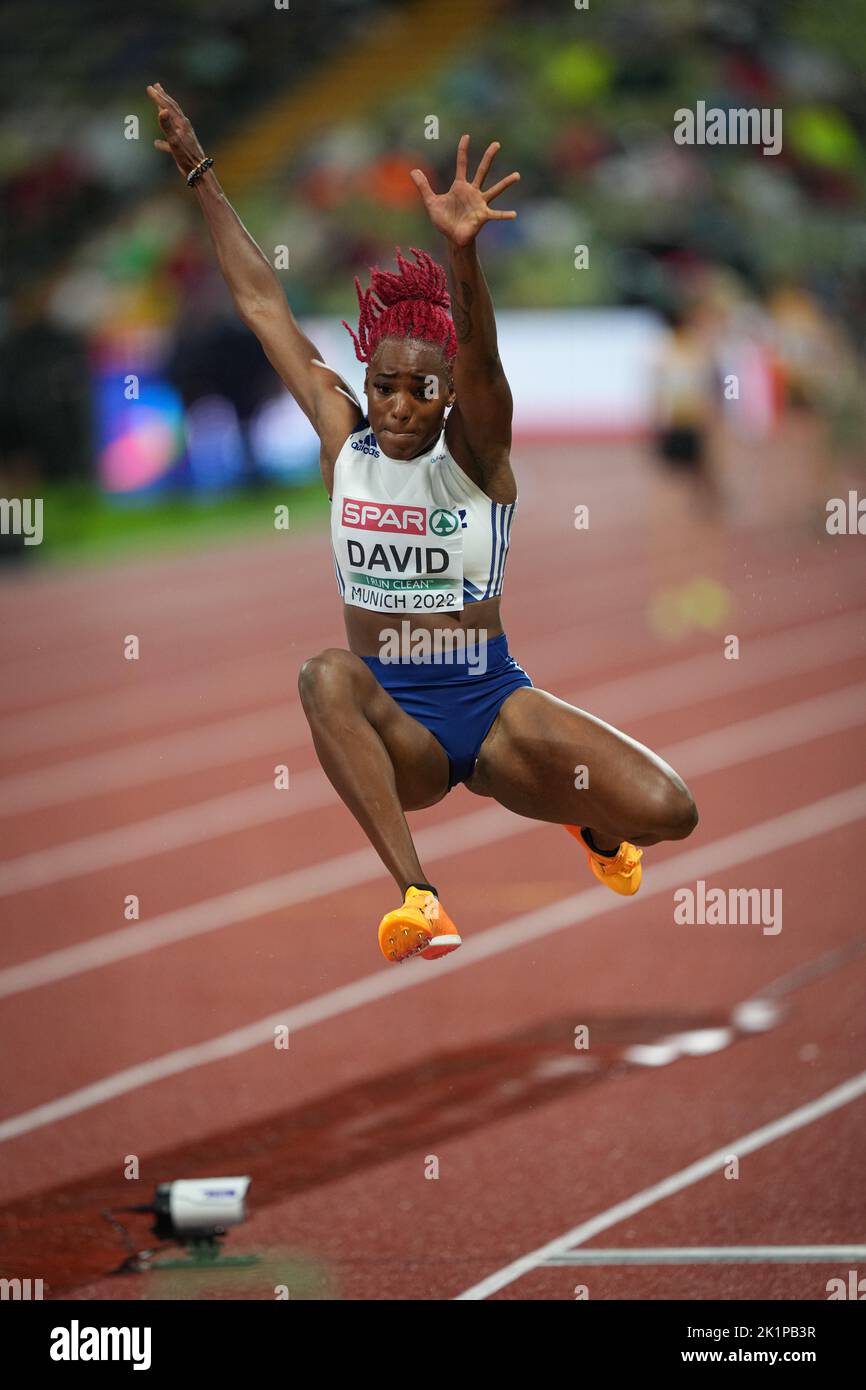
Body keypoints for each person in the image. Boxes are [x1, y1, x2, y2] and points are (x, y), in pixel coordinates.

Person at [148, 83, 699, 965]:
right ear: (366, 386)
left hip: (490, 706)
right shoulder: (344, 442)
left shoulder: (477, 458)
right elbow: (262, 306)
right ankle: (419, 895)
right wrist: (202, 175)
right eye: (385, 386)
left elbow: (482, 360)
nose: (399, 406)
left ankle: (588, 823)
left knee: (672, 811)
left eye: (421, 389)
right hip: (396, 727)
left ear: (446, 400)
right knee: (323, 674)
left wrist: (462, 256)